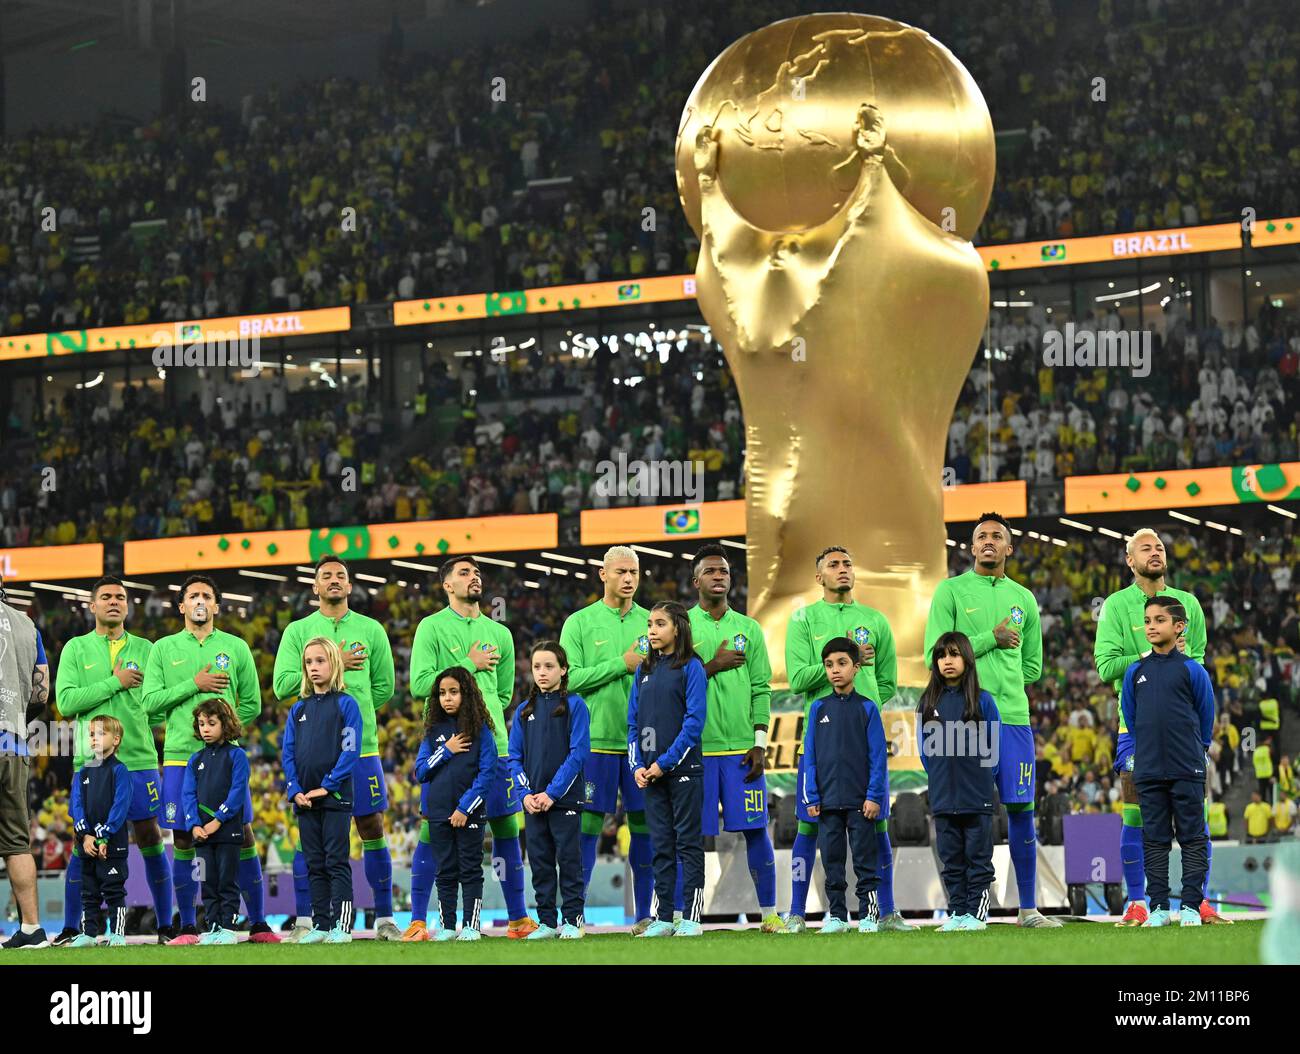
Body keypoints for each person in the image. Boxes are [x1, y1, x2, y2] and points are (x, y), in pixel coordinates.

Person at [924, 513, 1057, 927]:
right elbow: (935, 650)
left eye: (997, 536)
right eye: (981, 535)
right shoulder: (951, 591)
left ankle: (1028, 909)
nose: (988, 541)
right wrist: (989, 640)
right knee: (962, 813)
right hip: (965, 718)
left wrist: (1005, 678)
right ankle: (964, 907)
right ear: (971, 546)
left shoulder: (1024, 599)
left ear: (1009, 548)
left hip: (1014, 717)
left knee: (1020, 810)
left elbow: (1032, 666)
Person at [1093, 527, 1227, 925]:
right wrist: (1154, 653)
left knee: (1194, 818)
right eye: (1145, 548)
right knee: (1138, 817)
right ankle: (1139, 902)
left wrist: (1178, 659)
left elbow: (1199, 665)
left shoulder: (1189, 604)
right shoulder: (1116, 607)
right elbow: (1105, 667)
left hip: (1182, 733)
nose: (1155, 552)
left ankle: (1196, 900)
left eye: (1160, 547)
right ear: (1129, 560)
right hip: (1136, 733)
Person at [783, 545, 907, 934]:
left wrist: (857, 709)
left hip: (862, 739)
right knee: (810, 825)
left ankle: (885, 912)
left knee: (877, 823)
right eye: (833, 565)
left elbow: (888, 682)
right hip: (820, 738)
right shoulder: (803, 619)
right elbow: (798, 678)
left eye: (848, 564)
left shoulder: (875, 620)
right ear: (819, 576)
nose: (843, 569)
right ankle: (798, 913)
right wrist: (844, 662)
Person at [142, 575, 272, 944]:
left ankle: (259, 923)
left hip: (226, 760)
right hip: (182, 758)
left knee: (241, 833)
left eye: (207, 596)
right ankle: (188, 926)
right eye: (193, 596)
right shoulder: (163, 649)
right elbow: (148, 703)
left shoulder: (235, 647)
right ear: (182, 606)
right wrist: (193, 686)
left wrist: (226, 734)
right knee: (183, 837)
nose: (200, 601)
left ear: (216, 605)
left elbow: (252, 704)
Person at [272, 555, 397, 941]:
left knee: (371, 826)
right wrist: (334, 662)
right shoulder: (298, 630)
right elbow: (281, 685)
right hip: (315, 752)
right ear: (315, 586)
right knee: (310, 830)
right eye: (325, 576)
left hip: (361, 750)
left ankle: (384, 918)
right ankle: (308, 920)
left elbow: (384, 688)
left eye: (340, 575)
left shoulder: (371, 629)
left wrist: (347, 719)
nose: (334, 581)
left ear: (349, 583)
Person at [406, 556, 530, 939]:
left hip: (493, 742)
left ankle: (518, 919)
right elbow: (418, 683)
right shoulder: (431, 627)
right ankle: (418, 920)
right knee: (436, 828)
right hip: (447, 742)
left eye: (476, 572)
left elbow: (504, 693)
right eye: (464, 573)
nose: (474, 577)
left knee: (506, 826)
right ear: (447, 584)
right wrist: (469, 664)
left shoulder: (501, 634)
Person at [53, 575, 173, 945]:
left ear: (127, 605)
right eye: (105, 597)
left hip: (137, 759)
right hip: (89, 763)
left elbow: (157, 707)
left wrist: (135, 723)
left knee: (150, 835)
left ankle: (166, 925)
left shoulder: (148, 649)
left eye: (120, 597)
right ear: (92, 605)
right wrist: (117, 682)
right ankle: (73, 927)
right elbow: (66, 704)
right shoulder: (75, 649)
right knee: (82, 839)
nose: (114, 601)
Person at [559, 545, 655, 931]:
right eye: (620, 572)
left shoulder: (654, 622)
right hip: (593, 742)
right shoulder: (579, 623)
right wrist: (622, 664)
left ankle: (646, 915)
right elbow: (567, 680)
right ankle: (574, 917)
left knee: (645, 829)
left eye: (633, 571)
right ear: (603, 574)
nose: (628, 579)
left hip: (642, 746)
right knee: (586, 831)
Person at [686, 544, 779, 931]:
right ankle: (685, 918)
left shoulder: (750, 628)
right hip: (697, 751)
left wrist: (760, 741)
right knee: (690, 838)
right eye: (710, 571)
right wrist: (714, 664)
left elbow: (761, 687)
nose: (719, 576)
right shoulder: (681, 626)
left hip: (743, 749)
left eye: (723, 571)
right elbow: (675, 685)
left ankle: (770, 915)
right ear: (696, 581)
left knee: (756, 829)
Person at [1120, 597, 1215, 928]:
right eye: (1147, 620)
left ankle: (1190, 905)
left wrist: (1194, 749)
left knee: (1192, 837)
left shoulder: (1192, 669)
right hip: (1148, 771)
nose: (1151, 626)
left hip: (1186, 767)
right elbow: (1131, 720)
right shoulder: (1135, 672)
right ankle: (1158, 906)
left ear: (1179, 627)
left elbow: (1206, 718)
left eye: (1159, 620)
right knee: (1155, 840)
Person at [628, 601, 707, 937]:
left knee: (688, 843)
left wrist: (663, 763)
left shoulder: (691, 667)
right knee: (660, 844)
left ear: (678, 627)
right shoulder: (643, 670)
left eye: (659, 624)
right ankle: (663, 918)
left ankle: (691, 918)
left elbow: (694, 723)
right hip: (650, 774)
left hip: (683, 770)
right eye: (649, 624)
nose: (652, 631)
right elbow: (633, 722)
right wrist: (637, 766)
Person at [800, 638, 887, 934]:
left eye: (842, 663)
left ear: (856, 667)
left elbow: (878, 758)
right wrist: (811, 794)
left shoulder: (868, 708)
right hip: (826, 802)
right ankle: (836, 916)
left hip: (860, 802)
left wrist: (874, 796)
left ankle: (868, 916)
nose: (835, 670)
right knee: (833, 863)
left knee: (865, 862)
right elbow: (809, 755)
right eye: (829, 665)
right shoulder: (817, 708)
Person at [506, 641, 590, 939]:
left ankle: (573, 920)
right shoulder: (523, 710)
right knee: (540, 863)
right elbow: (514, 757)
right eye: (537, 666)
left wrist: (552, 793)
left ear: (563, 669)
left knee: (568, 860)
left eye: (549, 666)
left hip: (563, 799)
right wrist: (525, 795)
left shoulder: (574, 705)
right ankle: (546, 923)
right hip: (532, 802)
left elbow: (579, 753)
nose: (542, 672)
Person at [918, 632, 1001, 932]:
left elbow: (993, 751)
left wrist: (978, 782)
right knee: (951, 860)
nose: (947, 661)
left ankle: (977, 916)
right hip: (942, 797)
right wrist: (942, 778)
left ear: (967, 658)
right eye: (941, 656)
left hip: (976, 795)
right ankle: (957, 913)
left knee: (978, 859)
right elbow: (924, 753)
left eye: (954, 654)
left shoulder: (983, 701)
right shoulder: (927, 703)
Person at [282, 638, 363, 944]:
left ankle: (343, 927)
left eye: (320, 661)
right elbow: (288, 752)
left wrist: (326, 786)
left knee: (336, 861)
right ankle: (321, 925)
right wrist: (296, 790)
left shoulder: (346, 704)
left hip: (335, 798)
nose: (314, 668)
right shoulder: (298, 709)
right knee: (314, 863)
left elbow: (350, 751)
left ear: (334, 663)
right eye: (309, 662)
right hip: (304, 800)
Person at [413, 666, 497, 941]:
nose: (446, 698)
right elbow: (421, 771)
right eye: (441, 693)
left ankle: (471, 927)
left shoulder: (481, 731)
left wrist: (465, 808)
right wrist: (446, 751)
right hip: (437, 814)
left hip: (469, 815)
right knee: (445, 871)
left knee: (471, 870)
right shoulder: (433, 731)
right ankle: (447, 927)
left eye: (453, 692)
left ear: (467, 694)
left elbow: (487, 774)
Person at [0, 574, 50, 949]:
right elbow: (41, 691)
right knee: (17, 841)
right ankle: (32, 929)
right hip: (14, 742)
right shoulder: (27, 624)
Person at [182, 699, 249, 946]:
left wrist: (217, 820)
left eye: (211, 723)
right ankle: (213, 926)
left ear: (226, 723)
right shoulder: (194, 759)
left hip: (227, 832)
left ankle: (229, 928)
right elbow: (188, 794)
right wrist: (194, 825)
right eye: (201, 724)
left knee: (226, 881)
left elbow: (237, 792)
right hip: (201, 835)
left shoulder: (237, 755)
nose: (205, 729)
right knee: (207, 882)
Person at [67, 716, 132, 947]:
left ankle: (117, 933)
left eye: (101, 734)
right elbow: (76, 805)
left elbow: (120, 806)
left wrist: (104, 836)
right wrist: (85, 836)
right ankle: (89, 933)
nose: (94, 738)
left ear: (116, 740)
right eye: (92, 734)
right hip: (87, 844)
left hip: (112, 844)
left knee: (114, 890)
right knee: (89, 891)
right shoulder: (84, 771)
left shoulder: (120, 770)